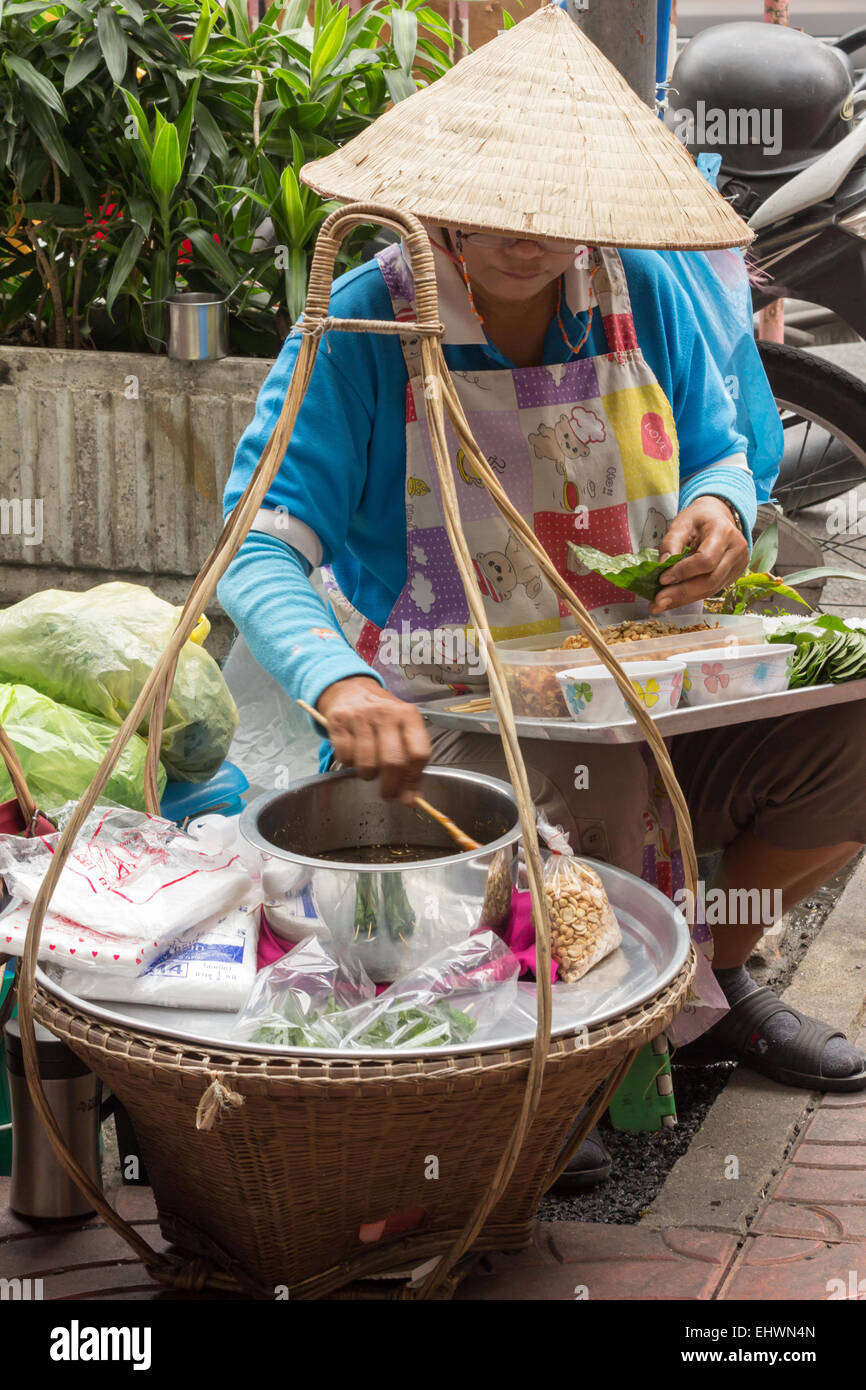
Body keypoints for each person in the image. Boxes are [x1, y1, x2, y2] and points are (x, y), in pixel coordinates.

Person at [218, 9, 866, 1181]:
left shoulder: (649, 292)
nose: (525, 235)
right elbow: (257, 548)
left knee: (851, 734)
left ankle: (710, 973)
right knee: (586, 796)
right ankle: (552, 1062)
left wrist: (717, 511)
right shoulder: (366, 323)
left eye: (551, 205)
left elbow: (726, 446)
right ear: (439, 190)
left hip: (641, 687)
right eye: (494, 203)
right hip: (450, 726)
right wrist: (340, 680)